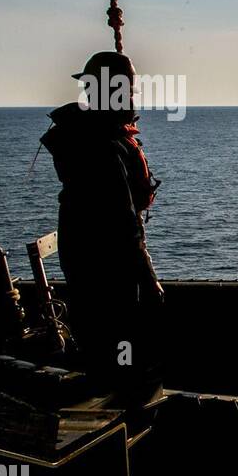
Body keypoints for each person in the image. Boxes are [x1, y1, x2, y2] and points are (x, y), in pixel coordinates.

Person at [41, 50, 162, 388]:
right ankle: (120, 409)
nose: (132, 97)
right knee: (119, 349)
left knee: (107, 345)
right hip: (108, 269)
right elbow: (123, 225)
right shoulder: (103, 148)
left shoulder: (91, 138)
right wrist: (148, 278)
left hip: (88, 263)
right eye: (126, 90)